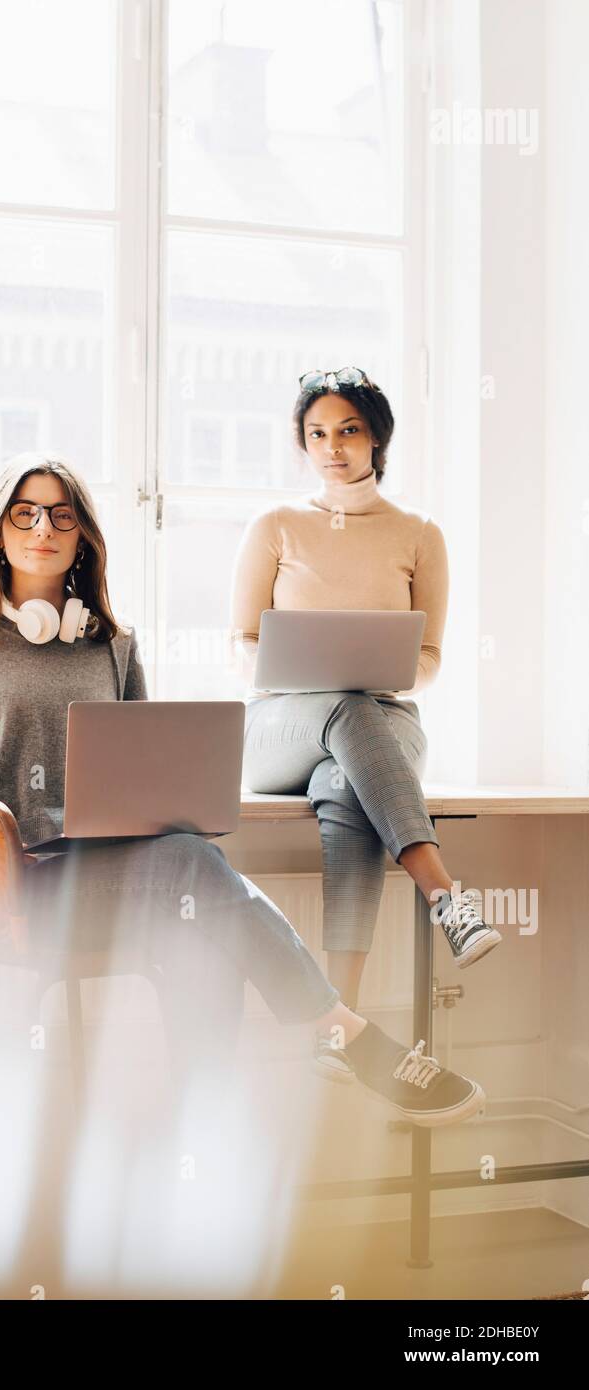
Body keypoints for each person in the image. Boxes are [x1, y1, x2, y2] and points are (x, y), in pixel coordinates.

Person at [0, 451, 487, 1126]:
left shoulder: (112, 646)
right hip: (2, 890)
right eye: (25, 513)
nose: (42, 526)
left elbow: (135, 772)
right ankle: (341, 1035)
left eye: (61, 514)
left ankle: (201, 1140)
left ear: (81, 538)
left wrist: (165, 805)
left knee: (197, 912)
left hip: (95, 877)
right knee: (195, 879)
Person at [229, 366, 502, 1081]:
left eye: (348, 430)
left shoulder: (418, 535)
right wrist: (320, 675)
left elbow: (432, 658)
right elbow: (242, 646)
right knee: (345, 709)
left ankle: (337, 1028)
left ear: (376, 436)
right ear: (300, 443)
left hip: (383, 721)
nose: (332, 447)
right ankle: (445, 895)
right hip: (279, 729)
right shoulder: (275, 527)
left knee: (347, 785)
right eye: (316, 433)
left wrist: (378, 670)